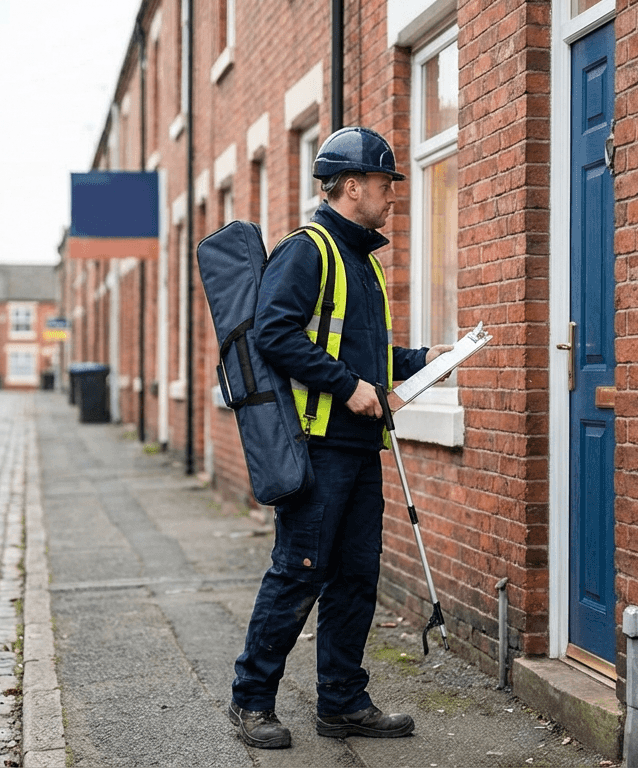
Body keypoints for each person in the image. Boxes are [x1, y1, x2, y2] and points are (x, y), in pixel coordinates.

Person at [227, 126, 452, 749]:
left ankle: (343, 703)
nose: (391, 196)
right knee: (298, 572)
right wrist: (347, 386)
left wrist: (419, 359)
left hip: (357, 447)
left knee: (356, 575)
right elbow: (272, 333)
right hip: (317, 445)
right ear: (352, 187)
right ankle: (251, 701)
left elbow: (363, 353)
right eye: (384, 185)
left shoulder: (362, 261)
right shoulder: (310, 249)